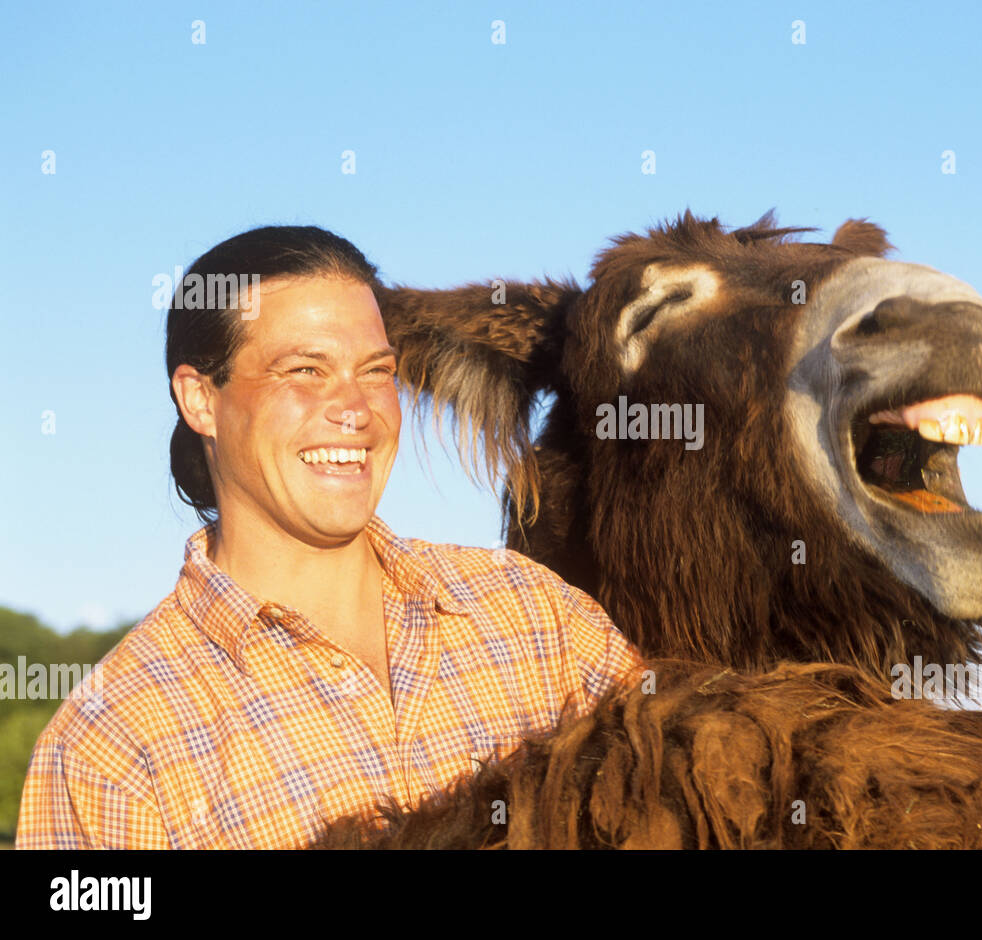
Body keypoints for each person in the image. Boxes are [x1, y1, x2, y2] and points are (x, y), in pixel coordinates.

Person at [16, 226, 643, 849]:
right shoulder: (113, 748)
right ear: (200, 399)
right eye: (305, 369)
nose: (356, 408)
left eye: (376, 371)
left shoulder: (540, 619)